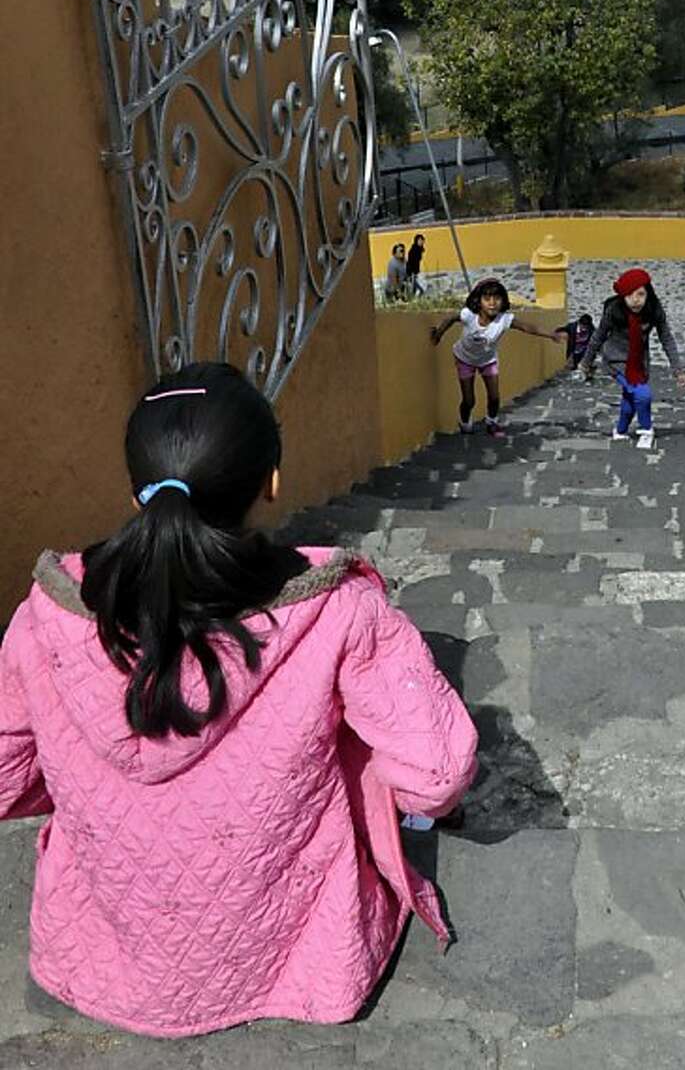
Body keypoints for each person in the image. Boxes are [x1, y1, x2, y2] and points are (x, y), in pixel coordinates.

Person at [0, 361, 477, 1039]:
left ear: (138, 491)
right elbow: (438, 775)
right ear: (271, 482)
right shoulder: (339, 610)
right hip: (300, 956)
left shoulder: (46, 615)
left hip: (101, 955)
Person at [580, 267, 685, 451]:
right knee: (642, 394)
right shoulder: (614, 310)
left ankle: (620, 430)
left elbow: (666, 338)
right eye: (629, 296)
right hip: (616, 361)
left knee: (630, 398)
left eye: (640, 295)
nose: (634, 301)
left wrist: (677, 369)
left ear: (648, 293)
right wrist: (586, 362)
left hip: (638, 362)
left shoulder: (654, 311)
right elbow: (598, 336)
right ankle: (646, 430)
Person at [430, 278, 549, 440]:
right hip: (464, 359)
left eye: (497, 298)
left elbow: (528, 327)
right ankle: (465, 424)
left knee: (494, 396)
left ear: (503, 301)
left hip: (488, 361)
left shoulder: (504, 320)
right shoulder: (469, 315)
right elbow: (450, 319)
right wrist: (438, 334)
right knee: (469, 399)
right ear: (479, 302)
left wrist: (551, 335)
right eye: (487, 299)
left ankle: (491, 422)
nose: (492, 303)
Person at [404, 233, 427, 298]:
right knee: (419, 290)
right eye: (419, 240)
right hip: (411, 272)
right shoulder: (414, 250)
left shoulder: (419, 250)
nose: (421, 242)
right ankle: (413, 300)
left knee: (414, 289)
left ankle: (412, 300)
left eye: (422, 240)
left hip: (414, 272)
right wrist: (412, 273)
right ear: (416, 241)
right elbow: (411, 262)